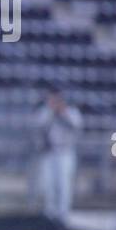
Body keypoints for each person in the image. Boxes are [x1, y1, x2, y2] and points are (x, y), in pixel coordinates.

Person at [35, 85, 82, 222]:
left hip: (65, 152)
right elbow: (39, 125)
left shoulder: (71, 112)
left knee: (64, 184)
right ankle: (49, 214)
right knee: (48, 184)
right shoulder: (45, 112)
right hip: (48, 152)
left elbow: (76, 126)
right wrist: (51, 111)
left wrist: (62, 113)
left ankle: (63, 215)